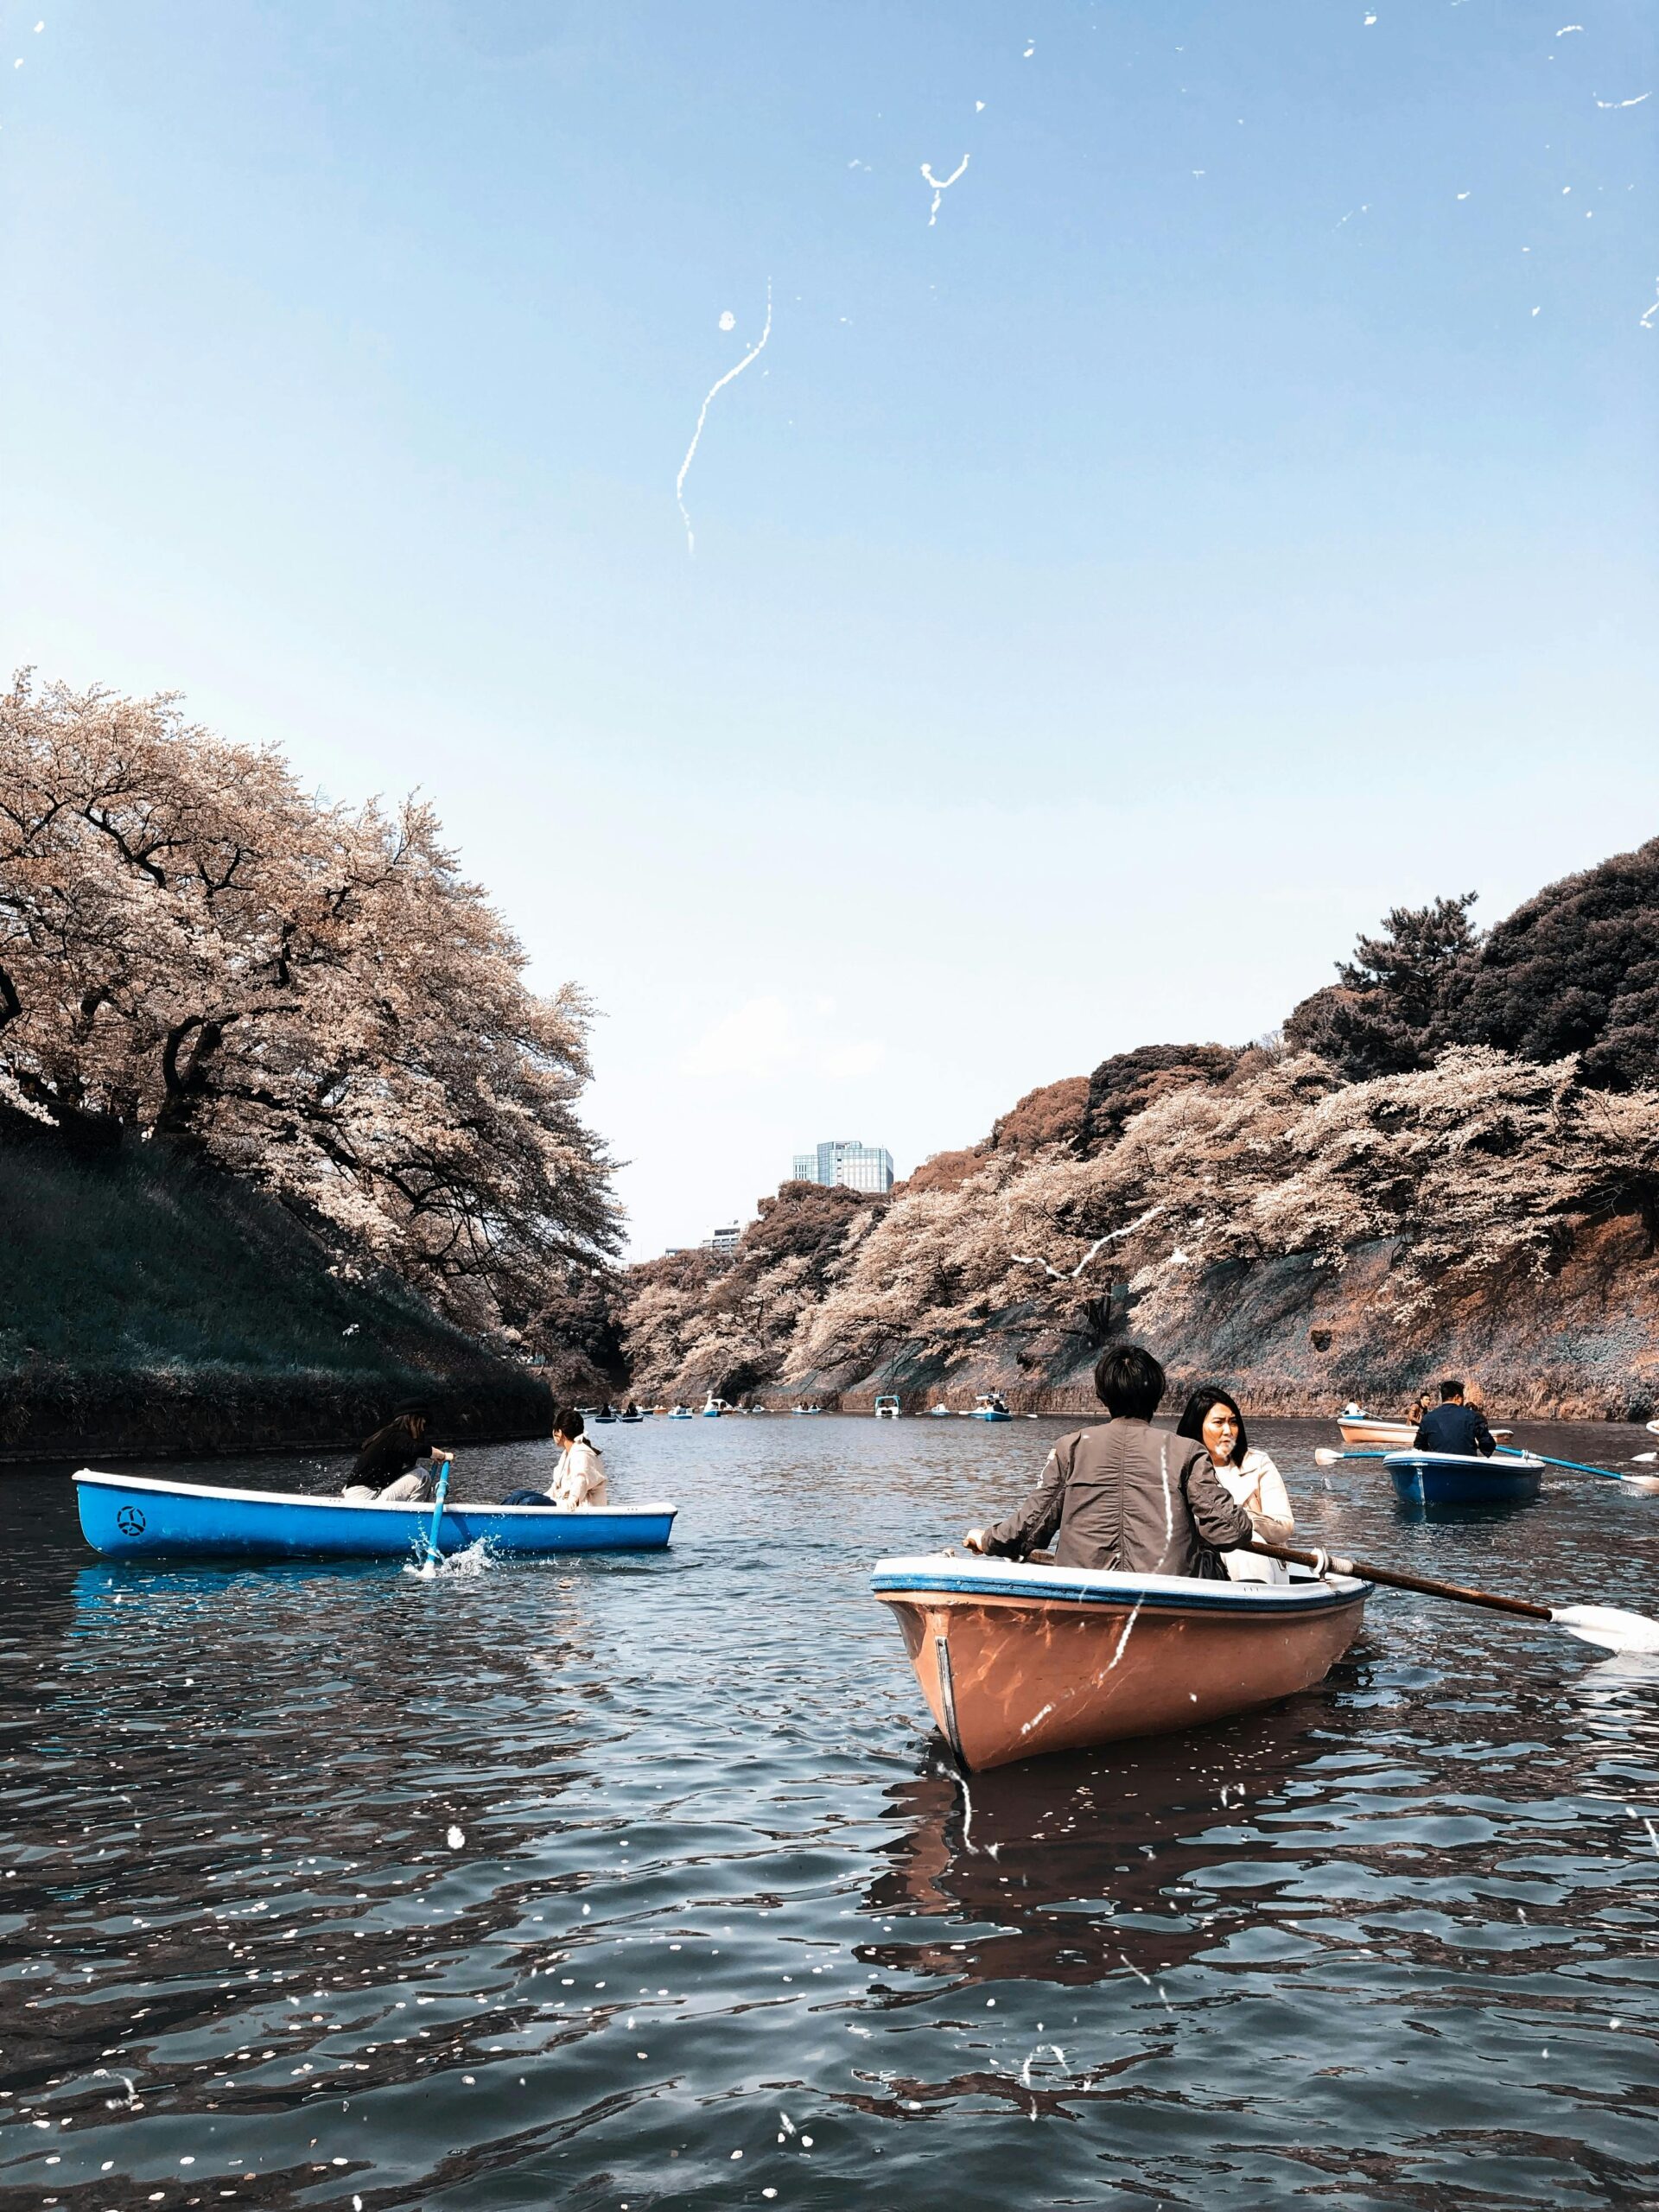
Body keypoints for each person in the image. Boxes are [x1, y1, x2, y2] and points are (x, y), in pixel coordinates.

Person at [962, 1344, 1252, 1576]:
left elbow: (1029, 1530)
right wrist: (1188, 1531)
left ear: (1102, 1397)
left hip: (1083, 1598)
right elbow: (1233, 1531)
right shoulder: (1187, 1451)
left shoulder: (1070, 1447)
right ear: (1157, 1396)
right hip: (1164, 1599)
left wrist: (987, 1538)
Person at [1175, 1385, 1294, 1585]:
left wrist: (1240, 1522)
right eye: (1218, 1423)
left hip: (1259, 1562)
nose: (1228, 1431)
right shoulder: (1179, 1467)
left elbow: (1284, 1526)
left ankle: (1257, 1605)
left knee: (1241, 1541)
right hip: (1203, 1566)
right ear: (1197, 1427)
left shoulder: (1257, 1463)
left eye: (1233, 1422)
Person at [501, 1407, 610, 1509]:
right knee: (518, 1495)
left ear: (559, 1433)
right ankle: (495, 1519)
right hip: (561, 1502)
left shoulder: (582, 1453)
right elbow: (555, 1490)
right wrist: (541, 1498)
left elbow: (581, 1480)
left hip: (580, 1507)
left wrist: (573, 1500)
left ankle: (505, 1524)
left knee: (531, 1502)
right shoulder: (567, 1454)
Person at [340, 1407, 452, 1502]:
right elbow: (416, 1449)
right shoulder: (395, 1436)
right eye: (422, 1423)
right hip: (365, 1497)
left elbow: (411, 1452)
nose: (422, 1429)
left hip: (358, 1494)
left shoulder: (386, 1435)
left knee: (415, 1469)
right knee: (421, 1475)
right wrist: (442, 1455)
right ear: (412, 1420)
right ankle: (415, 1518)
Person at [1412, 1378, 1496, 1459]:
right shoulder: (1473, 1416)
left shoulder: (1427, 1418)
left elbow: (1418, 1445)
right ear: (1457, 1397)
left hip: (1437, 1467)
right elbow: (1488, 1447)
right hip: (1466, 1469)